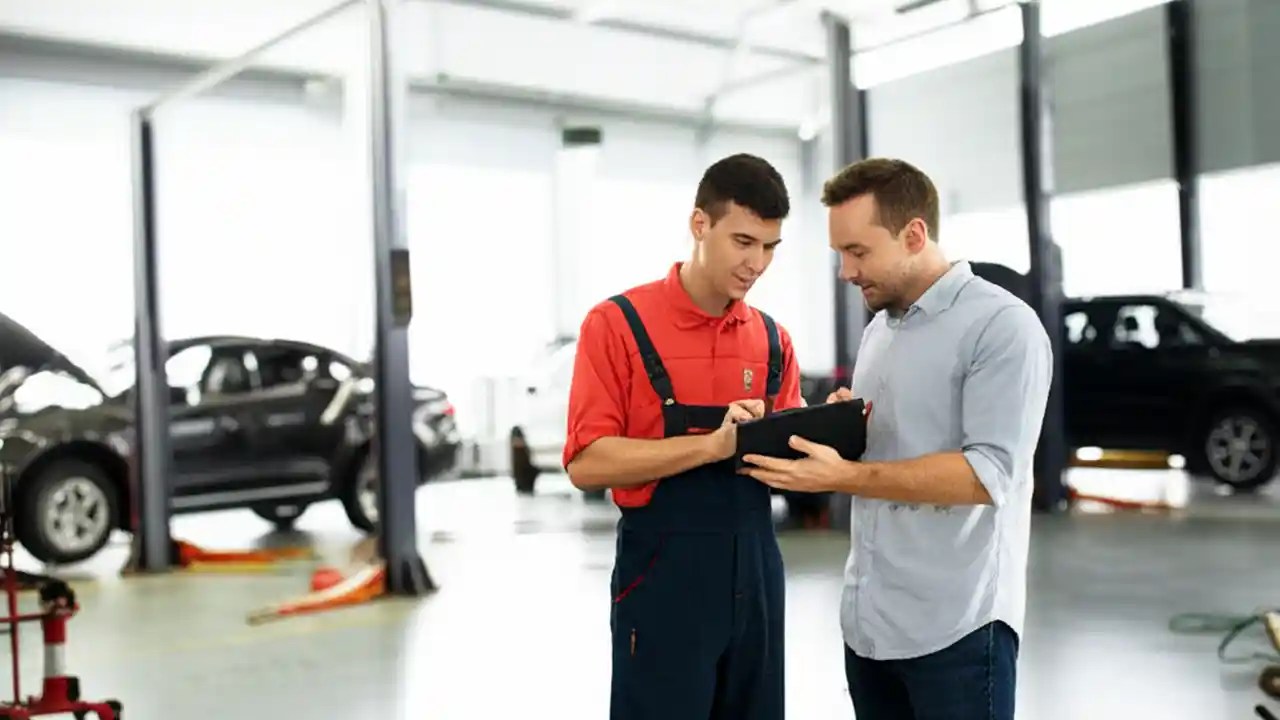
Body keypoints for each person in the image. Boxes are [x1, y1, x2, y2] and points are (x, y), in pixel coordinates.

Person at [740, 157, 1053, 719]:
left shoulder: (1002, 327)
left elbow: (987, 475)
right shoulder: (881, 329)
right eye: (839, 253)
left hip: (958, 629)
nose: (845, 271)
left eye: (858, 252)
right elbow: (898, 440)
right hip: (871, 626)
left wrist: (844, 476)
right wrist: (845, 430)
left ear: (914, 234)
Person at [563, 153, 804, 720]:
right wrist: (710, 445)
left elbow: (793, 459)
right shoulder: (618, 324)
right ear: (700, 225)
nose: (757, 263)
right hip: (664, 576)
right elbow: (586, 463)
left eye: (769, 247)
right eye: (743, 241)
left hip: (759, 572)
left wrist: (830, 430)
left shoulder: (772, 340)